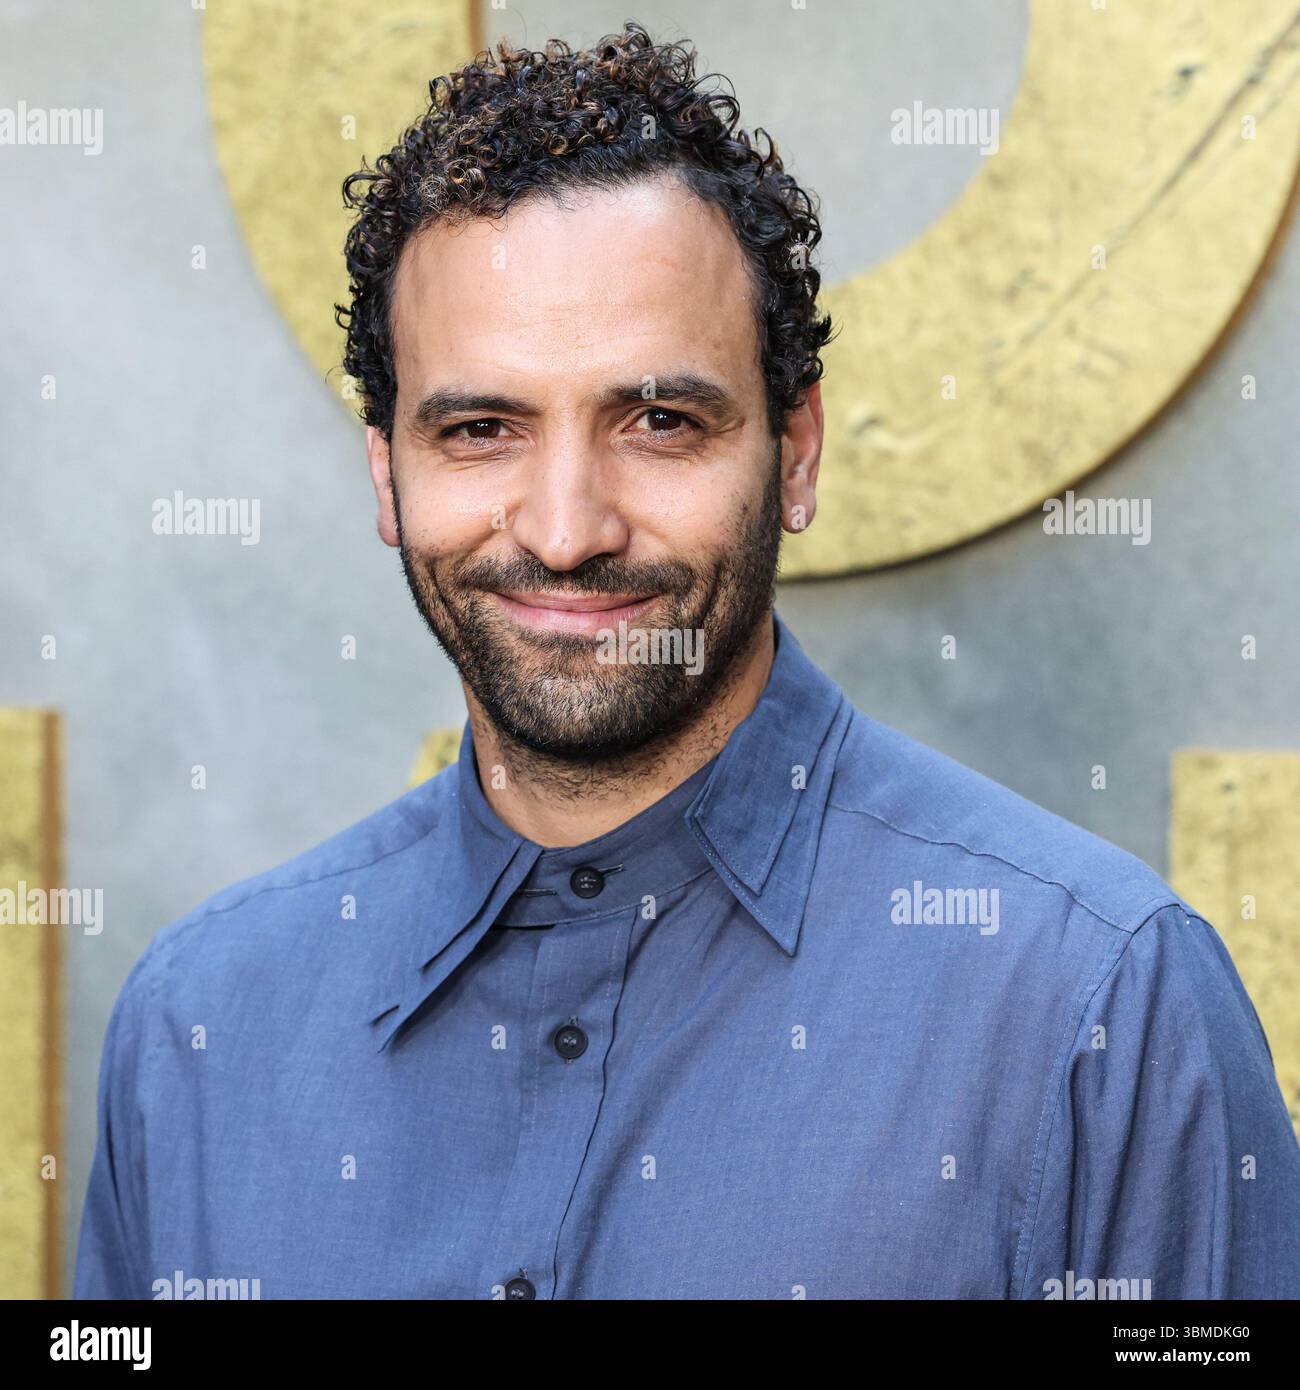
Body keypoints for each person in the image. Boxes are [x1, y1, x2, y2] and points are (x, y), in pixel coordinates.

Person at [75, 20, 1300, 1300]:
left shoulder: (1100, 1006)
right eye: (481, 428)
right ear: (388, 473)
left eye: (659, 421)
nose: (564, 528)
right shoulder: (199, 1032)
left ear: (798, 450)